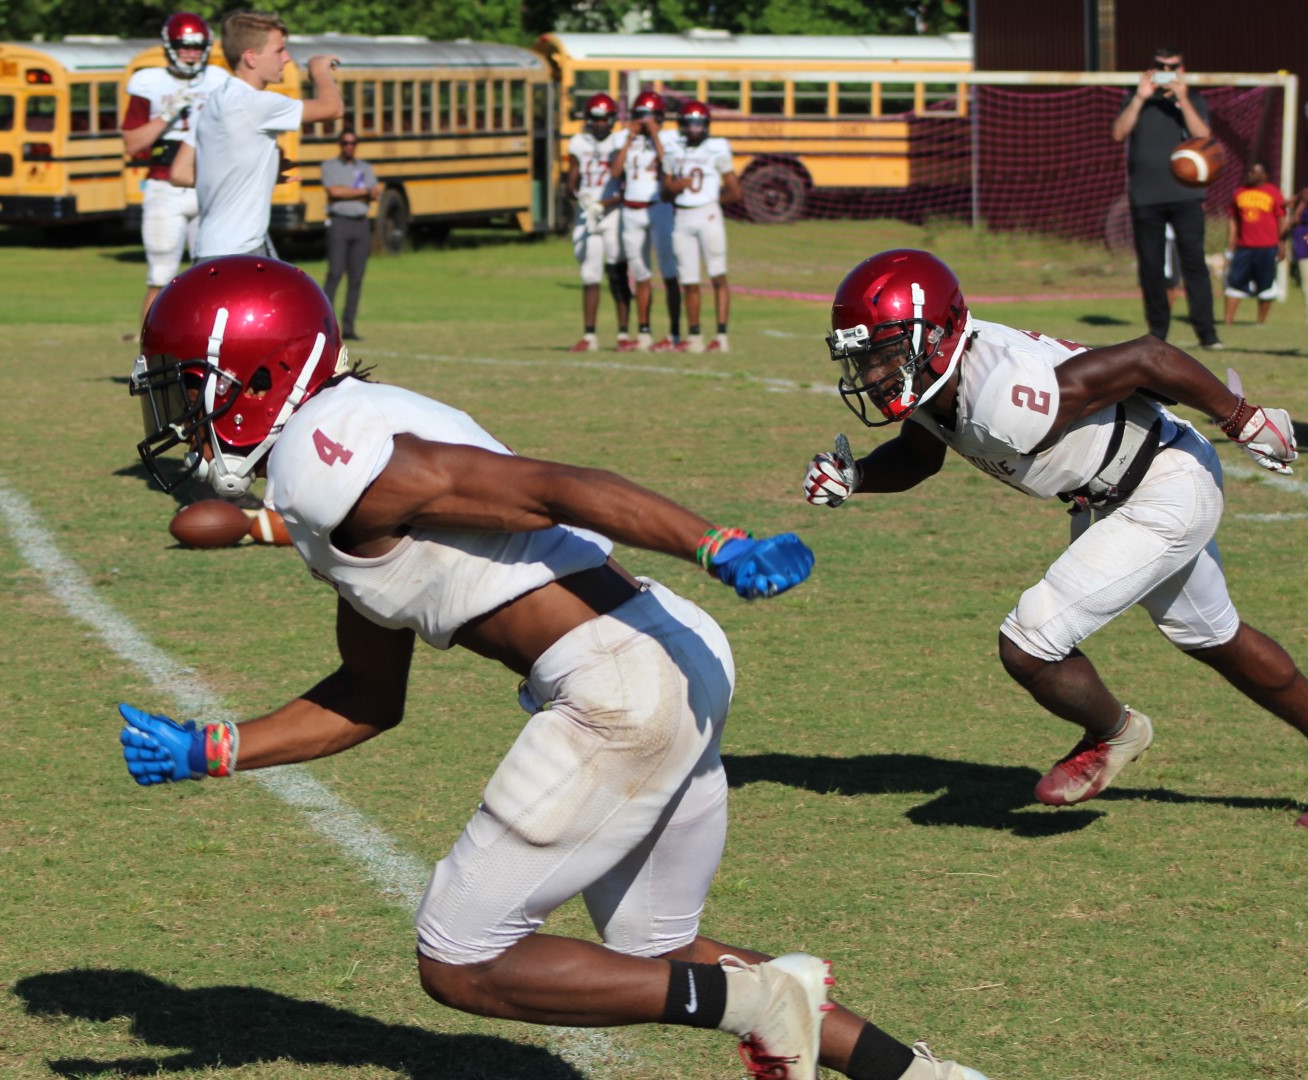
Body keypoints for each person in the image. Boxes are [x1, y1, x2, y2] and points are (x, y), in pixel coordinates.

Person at [120, 256, 989, 1080]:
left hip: (618, 685)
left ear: (258, 379)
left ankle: (764, 1004)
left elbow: (550, 487)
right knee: (660, 953)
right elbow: (370, 694)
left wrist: (715, 543)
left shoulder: (323, 456)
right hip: (664, 652)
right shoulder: (333, 463)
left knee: (458, 959)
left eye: (188, 388)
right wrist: (216, 749)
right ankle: (918, 1073)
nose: (177, 416)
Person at [802, 249, 1308, 827]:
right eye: (866, 358)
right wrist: (858, 476)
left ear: (936, 336)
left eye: (887, 354)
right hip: (1120, 488)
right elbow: (920, 457)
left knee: (1029, 643)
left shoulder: (1007, 396)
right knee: (1217, 639)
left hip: (1161, 484)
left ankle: (1114, 733)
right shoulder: (936, 378)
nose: (873, 375)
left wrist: (1240, 417)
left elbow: (1150, 356)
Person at [169, 10, 342, 258]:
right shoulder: (254, 103)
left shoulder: (214, 101)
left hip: (208, 247)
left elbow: (179, 173)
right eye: (279, 51)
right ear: (251, 57)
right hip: (241, 250)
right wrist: (319, 69)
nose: (287, 59)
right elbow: (332, 108)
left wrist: (254, 176)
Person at [1110, 45, 1223, 350]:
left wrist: (1182, 98)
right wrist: (1140, 97)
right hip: (1145, 195)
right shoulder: (1135, 98)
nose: (1165, 72)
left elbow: (1204, 136)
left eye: (1172, 66)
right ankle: (1157, 332)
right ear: (1151, 68)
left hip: (1186, 194)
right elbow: (1118, 133)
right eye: (1160, 66)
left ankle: (1207, 333)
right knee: (1151, 265)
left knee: (1194, 262)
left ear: (1181, 70)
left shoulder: (1193, 98)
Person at [121, 12, 229, 328]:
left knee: (212, 276)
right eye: (185, 46)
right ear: (170, 46)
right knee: (160, 276)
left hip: (207, 186)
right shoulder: (149, 82)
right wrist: (165, 116)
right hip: (164, 187)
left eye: (197, 47)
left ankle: (209, 346)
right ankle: (149, 351)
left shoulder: (219, 79)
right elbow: (132, 144)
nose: (191, 53)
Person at [663, 101, 740, 353]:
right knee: (689, 280)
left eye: (698, 123)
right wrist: (675, 187)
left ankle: (721, 336)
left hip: (707, 215)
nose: (693, 128)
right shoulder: (673, 149)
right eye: (688, 123)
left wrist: (710, 202)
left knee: (717, 275)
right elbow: (665, 192)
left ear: (706, 124)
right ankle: (694, 336)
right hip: (682, 218)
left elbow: (735, 191)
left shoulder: (717, 148)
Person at [611, 90, 683, 352]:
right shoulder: (624, 137)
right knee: (640, 273)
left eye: (649, 116)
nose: (643, 121)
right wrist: (630, 138)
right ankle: (643, 333)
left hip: (658, 208)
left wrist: (654, 136)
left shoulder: (670, 138)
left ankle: (674, 333)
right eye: (640, 115)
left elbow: (669, 167)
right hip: (631, 210)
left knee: (669, 271)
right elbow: (615, 172)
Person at [565, 92, 629, 352]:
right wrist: (577, 195)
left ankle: (623, 334)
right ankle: (589, 335)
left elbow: (629, 185)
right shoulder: (578, 143)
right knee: (590, 274)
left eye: (604, 119)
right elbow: (572, 179)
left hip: (613, 213)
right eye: (596, 118)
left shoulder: (620, 142)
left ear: (612, 119)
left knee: (617, 272)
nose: (600, 124)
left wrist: (605, 203)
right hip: (588, 214)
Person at [320, 129, 380, 341]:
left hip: (361, 224)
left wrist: (350, 192)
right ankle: (324, 326)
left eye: (353, 143)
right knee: (335, 273)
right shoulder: (330, 166)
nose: (349, 146)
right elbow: (334, 192)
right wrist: (362, 192)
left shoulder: (364, 167)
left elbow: (375, 192)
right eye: (345, 143)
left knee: (356, 277)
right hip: (339, 223)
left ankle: (349, 327)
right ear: (340, 144)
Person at [1223, 162, 1288, 325]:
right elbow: (1233, 221)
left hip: (1267, 247)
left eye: (1255, 172)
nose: (1250, 174)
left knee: (1266, 284)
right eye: (1249, 171)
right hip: (1244, 246)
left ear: (1265, 175)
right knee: (1235, 282)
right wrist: (1231, 245)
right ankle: (1228, 321)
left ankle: (1260, 323)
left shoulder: (1273, 193)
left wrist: (1282, 243)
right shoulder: (1239, 192)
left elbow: (1281, 219)